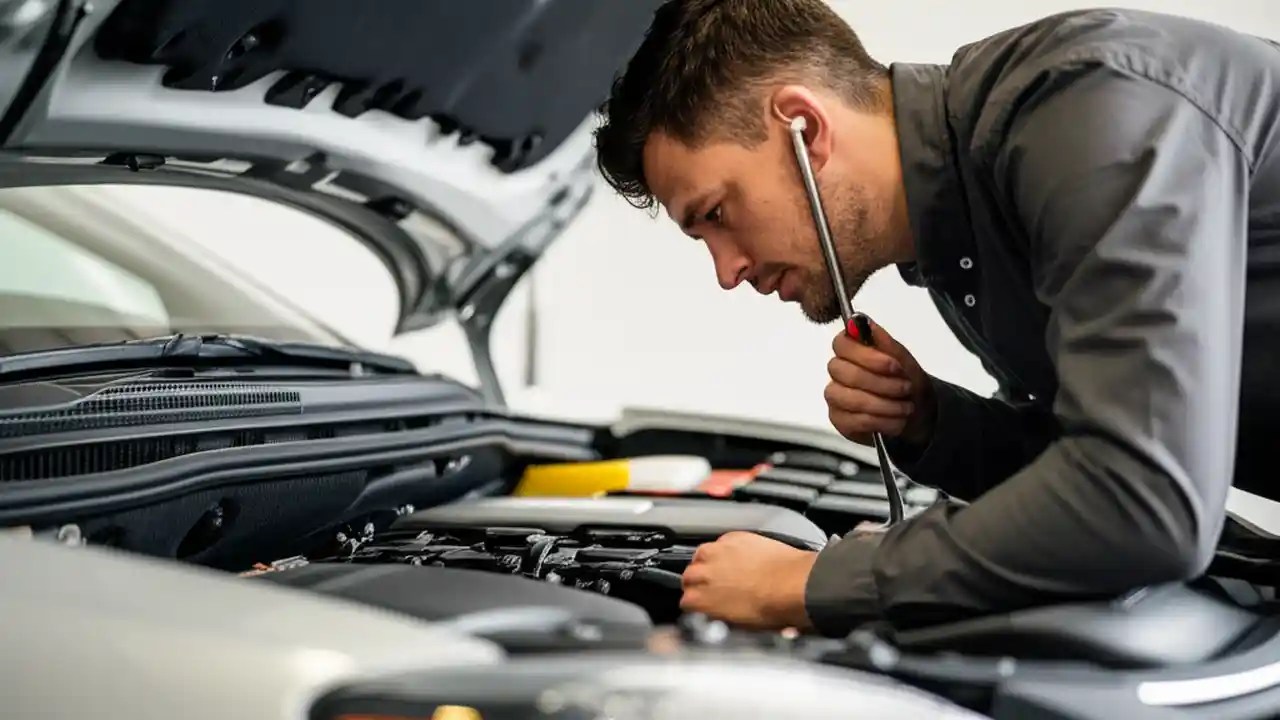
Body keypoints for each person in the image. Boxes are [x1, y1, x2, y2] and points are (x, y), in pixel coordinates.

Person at [592, 0, 1280, 637]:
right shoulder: (958, 225)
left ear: (805, 127)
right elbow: (1092, 460)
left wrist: (810, 583)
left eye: (716, 214)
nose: (726, 270)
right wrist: (933, 423)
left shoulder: (1089, 106)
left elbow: (1144, 502)